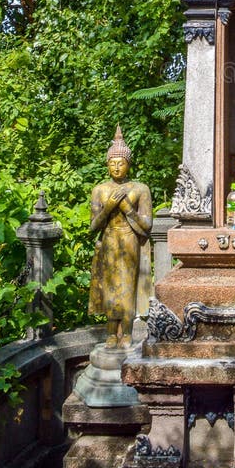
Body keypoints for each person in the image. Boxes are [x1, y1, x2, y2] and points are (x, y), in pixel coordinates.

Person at [88, 126, 153, 349]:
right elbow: (93, 226)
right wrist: (107, 208)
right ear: (107, 165)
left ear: (129, 164)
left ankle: (126, 332)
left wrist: (127, 209)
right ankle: (110, 333)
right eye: (112, 163)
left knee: (127, 287)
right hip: (109, 241)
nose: (116, 167)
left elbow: (147, 225)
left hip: (130, 240)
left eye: (121, 163)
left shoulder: (140, 189)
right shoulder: (99, 190)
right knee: (110, 288)